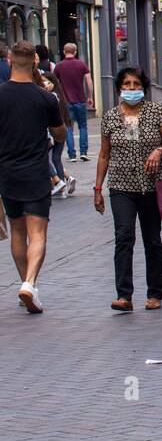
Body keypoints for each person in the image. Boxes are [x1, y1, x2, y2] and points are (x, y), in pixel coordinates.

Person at [94, 66, 162, 312]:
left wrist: (159, 150)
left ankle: (155, 293)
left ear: (143, 87)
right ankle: (124, 295)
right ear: (120, 88)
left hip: (151, 186)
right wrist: (98, 188)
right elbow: (104, 154)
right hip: (121, 185)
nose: (131, 89)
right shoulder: (110, 117)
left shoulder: (156, 112)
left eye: (136, 84)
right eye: (127, 84)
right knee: (124, 237)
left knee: (152, 240)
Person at [0, 41, 66, 313]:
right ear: (35, 63)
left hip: (7, 172)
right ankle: (29, 283)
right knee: (37, 231)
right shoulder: (45, 98)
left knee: (17, 229)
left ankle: (25, 284)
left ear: (9, 61)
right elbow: (60, 133)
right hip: (37, 172)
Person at [53, 42, 94, 162]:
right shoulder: (81, 64)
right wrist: (90, 96)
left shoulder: (59, 66)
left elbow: (54, 82)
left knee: (69, 127)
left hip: (66, 102)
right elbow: (88, 81)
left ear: (64, 52)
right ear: (75, 52)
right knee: (83, 126)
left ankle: (71, 155)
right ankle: (84, 152)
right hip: (80, 100)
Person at [39, 68, 76, 198]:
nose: (43, 84)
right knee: (56, 158)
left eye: (45, 82)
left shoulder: (52, 97)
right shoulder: (59, 95)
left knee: (49, 159)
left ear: (52, 82)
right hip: (59, 131)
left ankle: (59, 184)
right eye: (42, 82)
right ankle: (61, 184)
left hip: (54, 132)